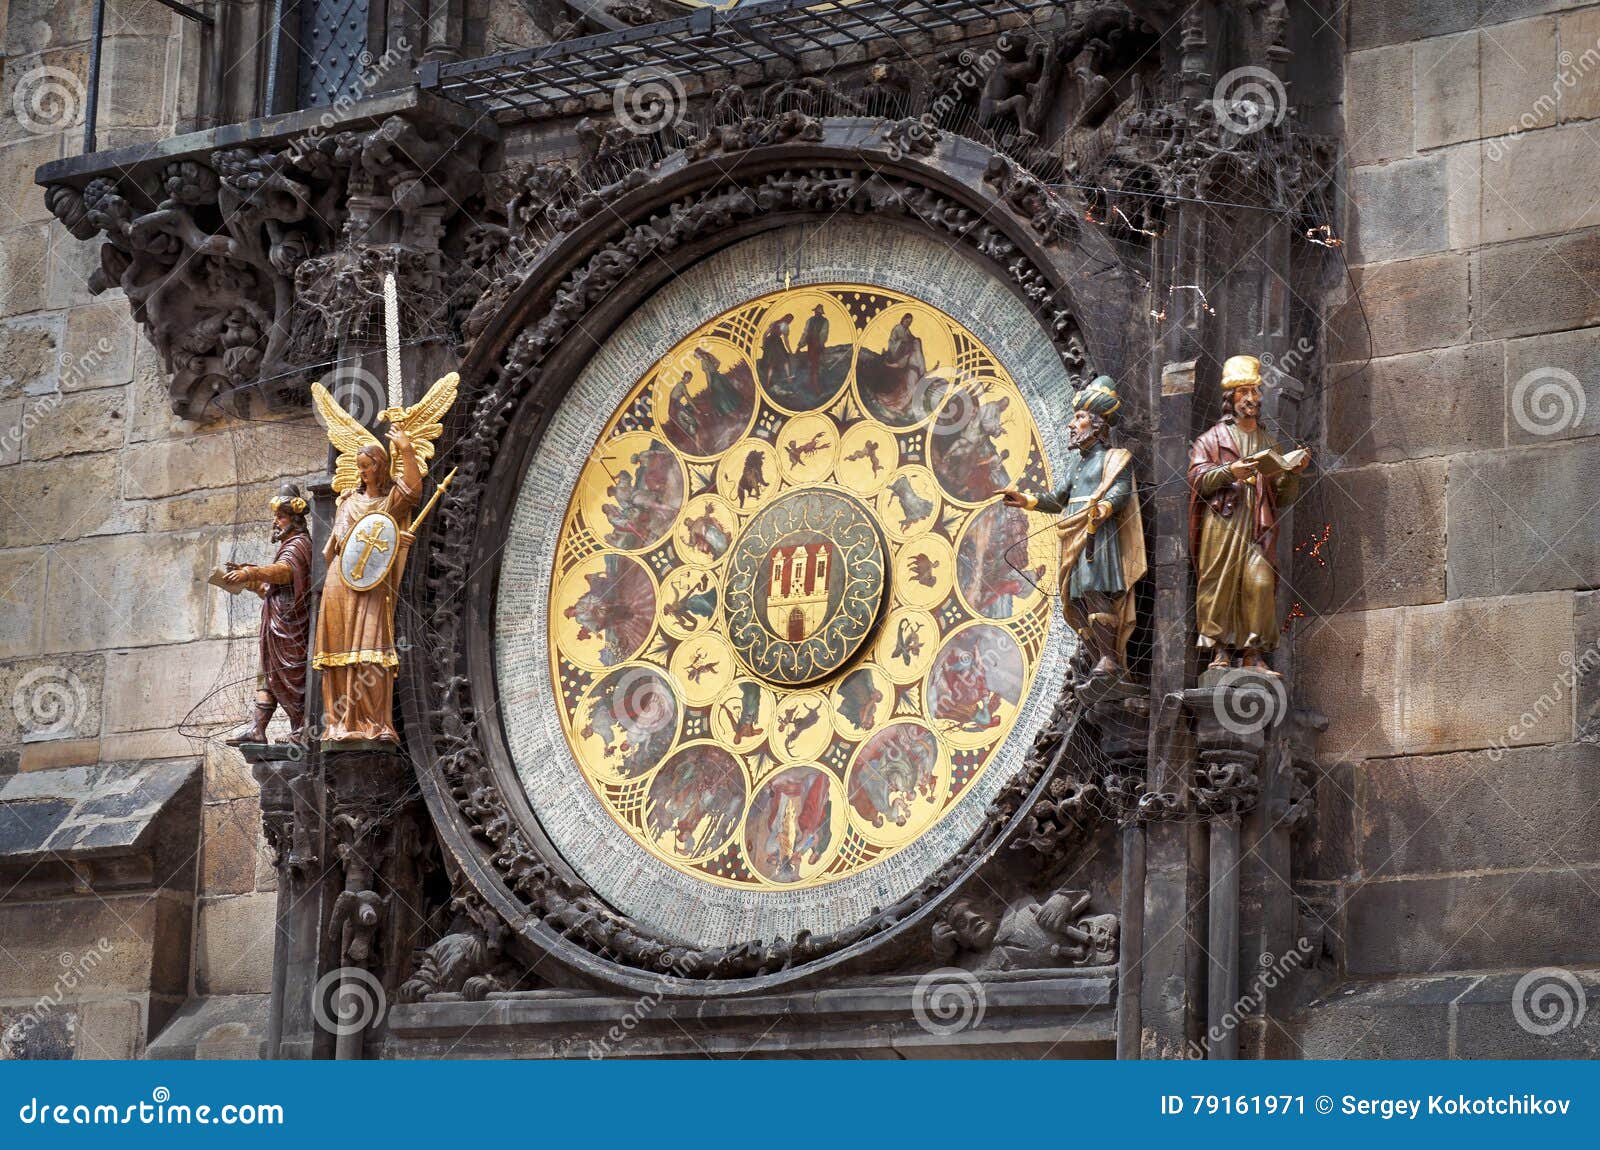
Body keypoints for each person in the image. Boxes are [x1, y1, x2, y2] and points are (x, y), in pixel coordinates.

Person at [1001, 376, 1145, 679]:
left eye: (1078, 417)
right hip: (1075, 535)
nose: (1071, 424)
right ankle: (1098, 658)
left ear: (1096, 424)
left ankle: (1110, 658)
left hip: (1098, 533)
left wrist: (1102, 509)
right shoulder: (1076, 465)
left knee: (1096, 590)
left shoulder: (1114, 459)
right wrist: (1025, 499)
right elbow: (1056, 500)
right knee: (1075, 597)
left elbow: (1120, 493)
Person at [1187, 354, 1310, 674]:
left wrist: (1292, 473)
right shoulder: (1210, 439)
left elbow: (1282, 497)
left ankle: (1252, 654)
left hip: (1258, 522)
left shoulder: (1268, 441)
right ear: (1231, 398)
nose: (1252, 399)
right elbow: (1197, 480)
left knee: (1259, 583)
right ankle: (1220, 651)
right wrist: (1231, 471)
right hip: (1223, 521)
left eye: (1255, 392)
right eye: (1245, 392)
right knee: (1220, 583)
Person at [223, 485, 313, 745]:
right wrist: (246, 580)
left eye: (281, 517)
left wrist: (251, 572)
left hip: (292, 628)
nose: (275, 522)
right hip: (276, 625)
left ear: (295, 520)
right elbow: (271, 589)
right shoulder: (288, 544)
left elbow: (284, 572)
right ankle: (257, 728)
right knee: (268, 676)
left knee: (291, 676)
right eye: (276, 517)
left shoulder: (299, 544)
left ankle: (301, 730)